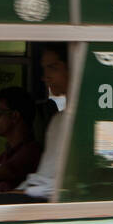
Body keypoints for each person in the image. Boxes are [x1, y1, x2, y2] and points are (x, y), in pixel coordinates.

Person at [19, 44, 72, 202]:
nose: (46, 76)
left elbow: (48, 183)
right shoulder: (60, 120)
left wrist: (19, 194)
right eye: (45, 69)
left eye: (53, 68)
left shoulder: (69, 122)